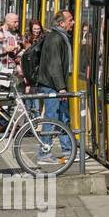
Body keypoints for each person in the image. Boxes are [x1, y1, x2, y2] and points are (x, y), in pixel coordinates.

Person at [35, 10, 76, 163]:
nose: (72, 23)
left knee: (63, 117)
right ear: (61, 23)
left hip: (56, 85)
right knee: (51, 118)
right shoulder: (55, 39)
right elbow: (54, 65)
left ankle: (68, 151)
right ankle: (44, 153)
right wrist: (61, 87)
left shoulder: (60, 37)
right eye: (70, 20)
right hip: (52, 85)